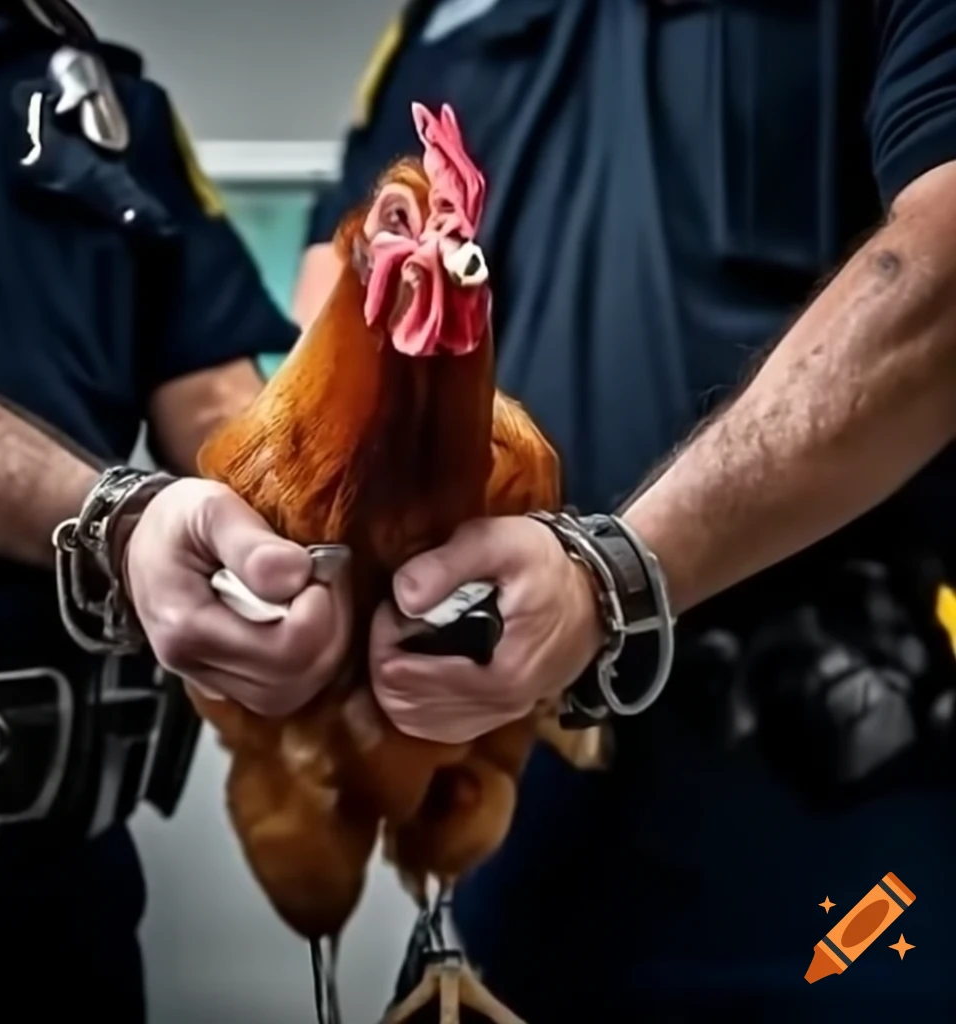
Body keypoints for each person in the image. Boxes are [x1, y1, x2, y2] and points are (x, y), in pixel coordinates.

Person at [298, 1, 956, 1020]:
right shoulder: (442, 21)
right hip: (528, 831)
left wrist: (609, 572)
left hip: (838, 803)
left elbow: (944, 269)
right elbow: (334, 296)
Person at [0, 2, 346, 1018]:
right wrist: (117, 518)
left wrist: (344, 531)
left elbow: (211, 401)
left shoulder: (103, 100)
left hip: (62, 894)